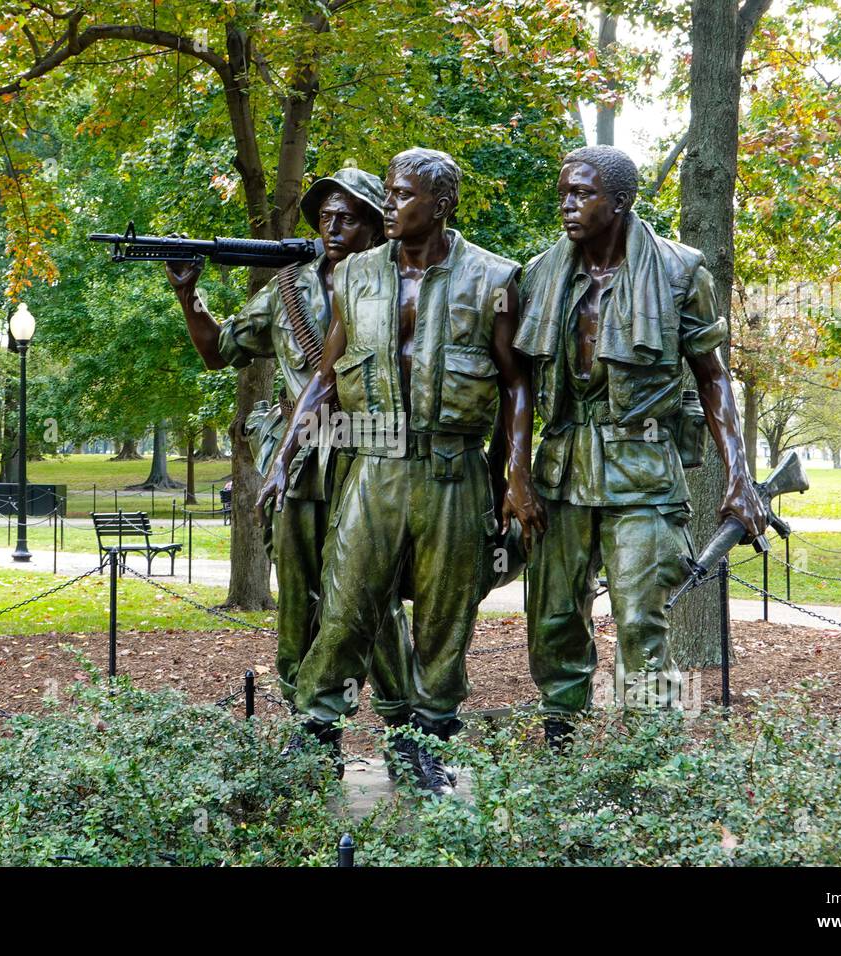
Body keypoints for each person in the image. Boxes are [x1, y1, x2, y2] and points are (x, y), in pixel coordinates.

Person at [260, 147, 545, 796]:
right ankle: (315, 739)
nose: (388, 206)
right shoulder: (356, 275)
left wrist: (515, 478)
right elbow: (325, 381)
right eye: (387, 194)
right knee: (345, 610)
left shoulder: (495, 277)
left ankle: (422, 749)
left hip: (453, 472)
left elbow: (516, 388)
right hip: (374, 468)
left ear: (442, 205)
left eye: (402, 196)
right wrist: (284, 462)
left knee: (444, 624)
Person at [514, 146, 767, 746]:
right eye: (564, 194)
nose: (568, 205)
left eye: (583, 194)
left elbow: (714, 376)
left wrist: (739, 475)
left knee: (638, 621)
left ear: (621, 202)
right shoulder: (540, 275)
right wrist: (516, 474)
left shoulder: (681, 272)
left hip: (644, 471)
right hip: (563, 467)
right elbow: (517, 382)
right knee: (552, 619)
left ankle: (651, 759)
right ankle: (562, 746)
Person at [165, 166, 417, 735]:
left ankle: (406, 731)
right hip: (300, 461)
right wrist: (188, 293)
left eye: (347, 217)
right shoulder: (287, 289)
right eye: (324, 217)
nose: (332, 227)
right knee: (298, 597)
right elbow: (217, 351)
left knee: (370, 593)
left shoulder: (401, 285)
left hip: (369, 454)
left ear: (377, 226)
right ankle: (312, 728)